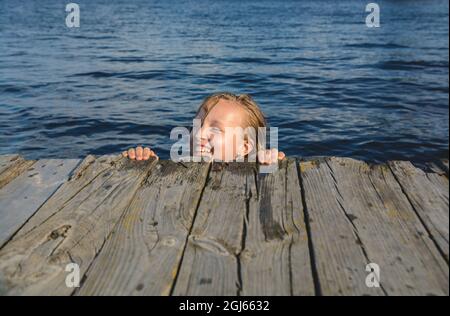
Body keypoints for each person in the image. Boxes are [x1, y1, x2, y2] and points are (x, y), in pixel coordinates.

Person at [123, 92, 285, 164]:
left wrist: (268, 161)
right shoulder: (180, 167)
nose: (199, 133)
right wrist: (144, 163)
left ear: (243, 147)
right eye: (198, 124)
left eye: (215, 129)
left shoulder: (252, 175)